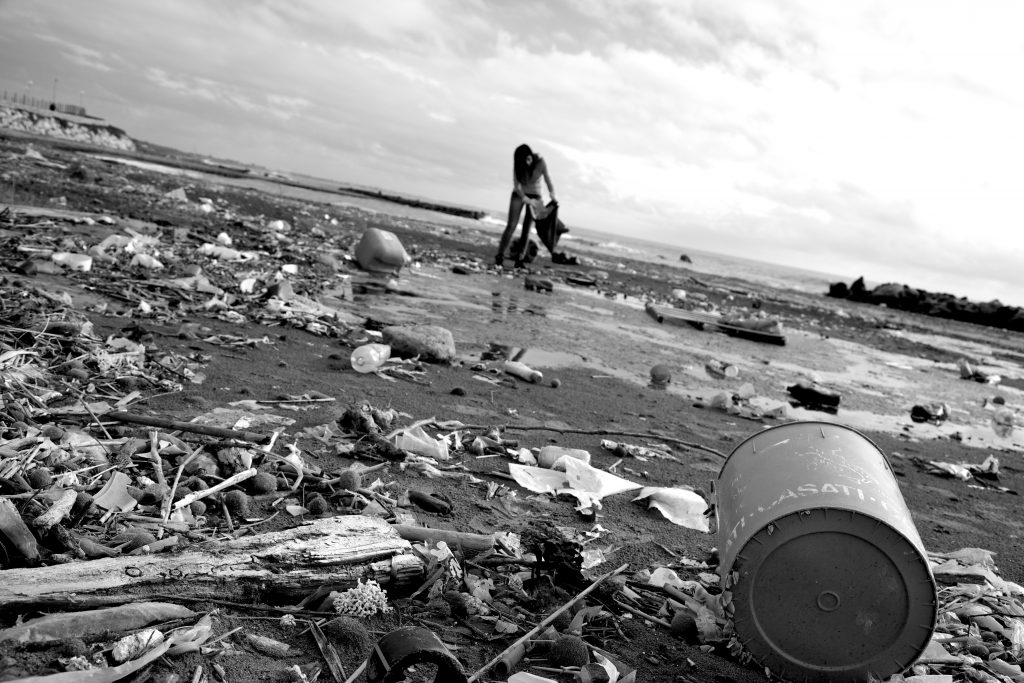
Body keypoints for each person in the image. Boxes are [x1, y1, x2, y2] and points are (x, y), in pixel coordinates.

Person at [495, 143, 556, 268]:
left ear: (531, 155)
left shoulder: (540, 161)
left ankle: (520, 259)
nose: (527, 163)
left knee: (527, 229)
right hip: (520, 195)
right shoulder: (518, 165)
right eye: (524, 161)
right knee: (511, 225)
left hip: (536, 196)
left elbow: (547, 178)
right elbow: (517, 186)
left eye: (529, 159)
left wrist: (552, 193)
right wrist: (526, 199)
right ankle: (499, 255)